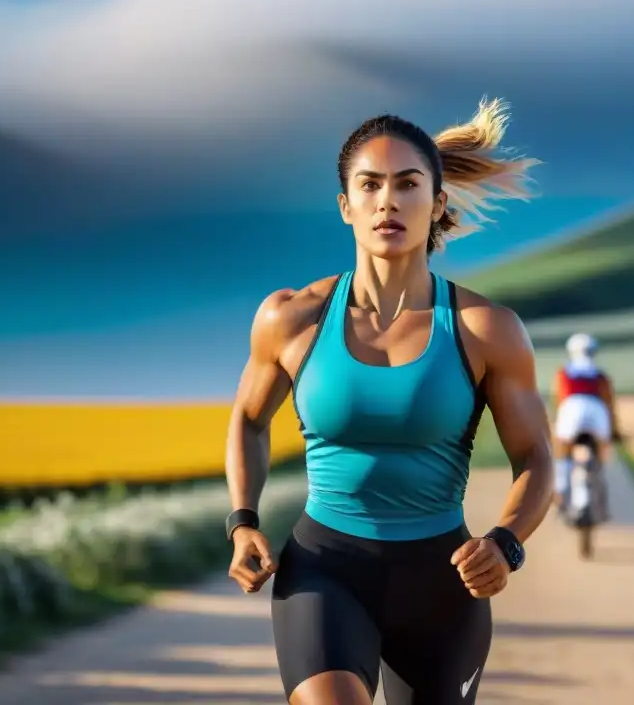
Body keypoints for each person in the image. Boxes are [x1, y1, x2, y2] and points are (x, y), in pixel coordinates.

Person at [223, 97, 554, 705]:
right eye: (369, 186)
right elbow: (247, 419)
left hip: (443, 584)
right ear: (346, 206)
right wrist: (243, 521)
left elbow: (536, 456)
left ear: (438, 204)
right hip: (324, 572)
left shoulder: (487, 329)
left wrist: (506, 543)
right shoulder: (290, 318)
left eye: (408, 184)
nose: (388, 201)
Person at [549, 332, 620, 516]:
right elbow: (609, 403)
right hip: (597, 413)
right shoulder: (600, 376)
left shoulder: (563, 374)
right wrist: (614, 431)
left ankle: (560, 490)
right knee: (601, 452)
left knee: (562, 452)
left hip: (571, 413)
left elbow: (559, 400)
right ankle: (601, 492)